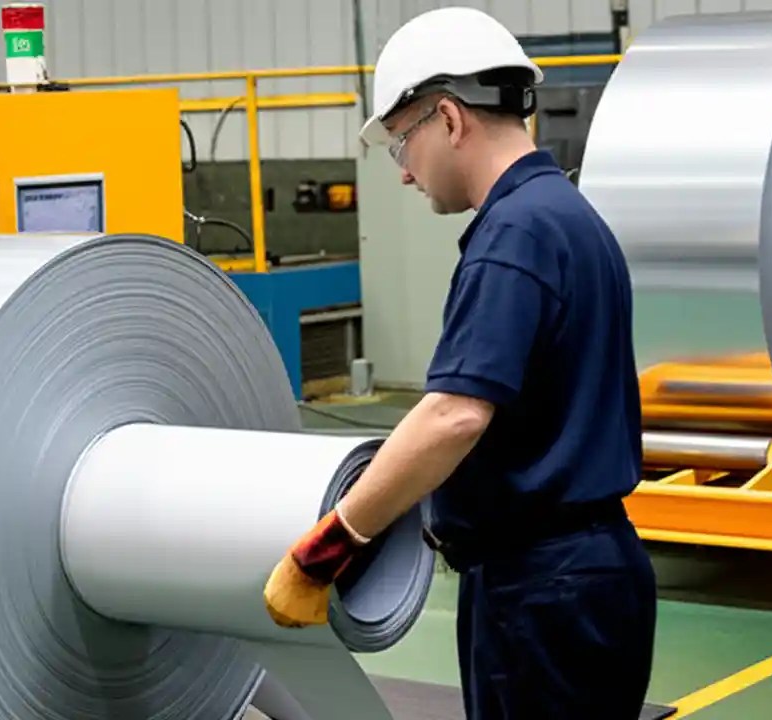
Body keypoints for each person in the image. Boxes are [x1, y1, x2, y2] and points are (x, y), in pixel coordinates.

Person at [261, 7, 657, 719]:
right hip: (582, 576)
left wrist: (329, 546)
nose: (406, 176)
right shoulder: (565, 214)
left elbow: (453, 414)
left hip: (543, 591)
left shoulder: (516, 234)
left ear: (449, 118)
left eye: (401, 144)